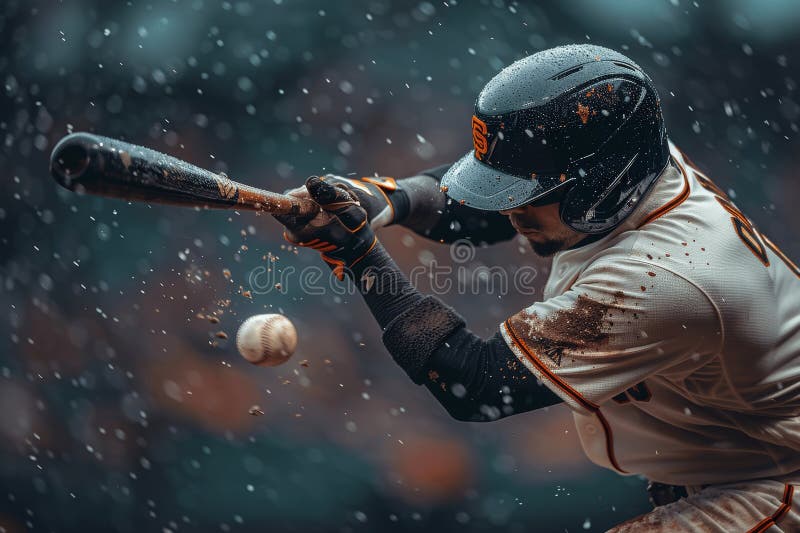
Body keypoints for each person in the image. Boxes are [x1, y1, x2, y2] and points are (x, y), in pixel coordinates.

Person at [276, 44, 800, 532]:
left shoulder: (664, 276)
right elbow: (483, 210)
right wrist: (380, 197)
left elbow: (475, 386)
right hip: (746, 466)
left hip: (775, 483)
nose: (509, 210)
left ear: (604, 184)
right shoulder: (635, 161)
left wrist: (359, 254)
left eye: (529, 194)